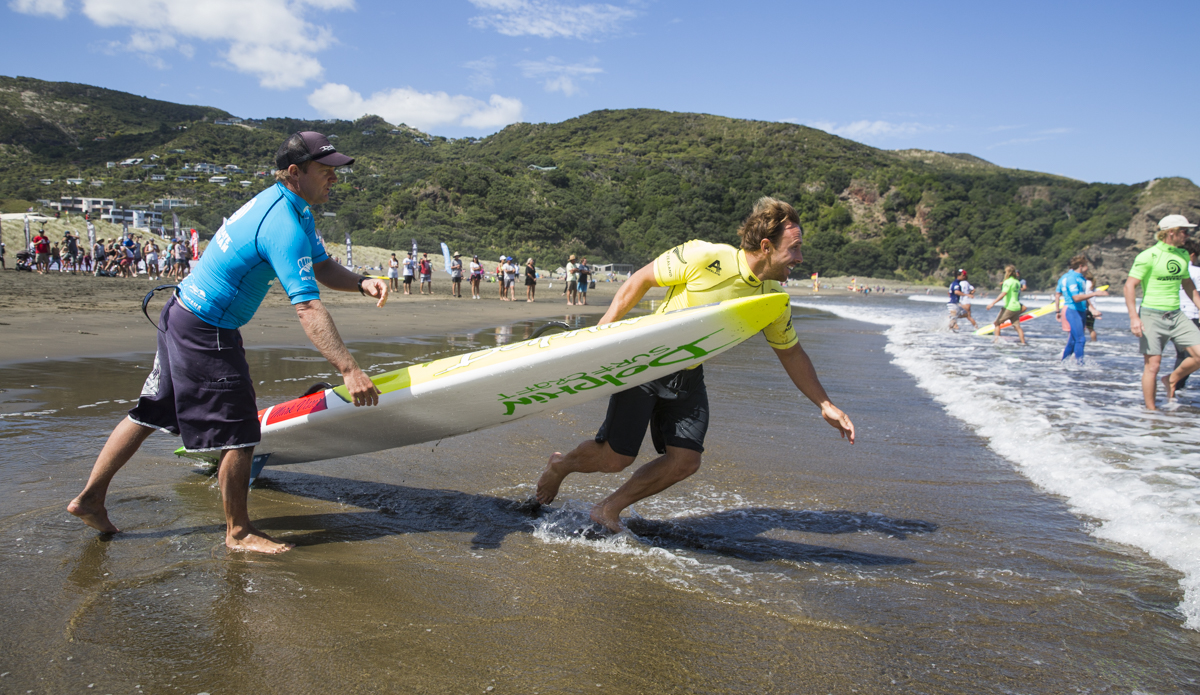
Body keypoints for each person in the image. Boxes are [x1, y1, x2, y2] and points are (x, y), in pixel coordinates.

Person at [68, 131, 389, 554]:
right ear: (295, 172)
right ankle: (238, 533)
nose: (334, 180)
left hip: (180, 312)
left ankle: (90, 499)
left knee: (153, 410)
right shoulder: (281, 223)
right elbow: (308, 309)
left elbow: (323, 266)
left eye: (335, 172)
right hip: (206, 329)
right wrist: (349, 370)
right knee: (241, 430)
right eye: (325, 172)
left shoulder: (293, 208)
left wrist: (361, 281)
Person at [535, 197, 856, 532]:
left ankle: (607, 509)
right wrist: (601, 333)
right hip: (647, 361)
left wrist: (825, 404)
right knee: (615, 458)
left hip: (688, 373)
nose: (800, 258)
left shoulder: (771, 299)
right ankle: (560, 465)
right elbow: (639, 280)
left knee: (685, 461)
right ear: (766, 246)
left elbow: (791, 352)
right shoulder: (705, 256)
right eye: (795, 248)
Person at [1124, 214, 1200, 409]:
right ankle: (1151, 413)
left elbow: (1188, 285)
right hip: (1152, 314)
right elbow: (1129, 286)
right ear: (1170, 232)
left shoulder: (1182, 255)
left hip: (1176, 314)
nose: (1187, 235)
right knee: (1153, 366)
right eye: (1184, 231)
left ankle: (1172, 379)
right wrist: (1134, 317)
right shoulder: (1148, 255)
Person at [1054, 255, 1108, 362]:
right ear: (1081, 266)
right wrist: (1096, 293)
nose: (1088, 268)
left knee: (1073, 340)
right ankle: (1079, 366)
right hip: (1073, 310)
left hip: (1081, 311)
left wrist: (1092, 309)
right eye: (1087, 265)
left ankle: (1064, 363)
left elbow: (1083, 296)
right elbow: (1076, 298)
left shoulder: (1081, 278)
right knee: (1080, 339)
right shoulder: (1071, 278)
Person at [1172, 238, 1200, 390]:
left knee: (1182, 355)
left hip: (1173, 315)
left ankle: (1175, 388)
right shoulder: (1196, 271)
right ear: (1192, 255)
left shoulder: (1173, 270)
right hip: (1192, 316)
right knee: (1190, 356)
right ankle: (1174, 384)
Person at [986, 265, 1027, 345]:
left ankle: (996, 342)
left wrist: (992, 303)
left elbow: (1003, 293)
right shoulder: (1017, 282)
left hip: (1009, 307)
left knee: (997, 323)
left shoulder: (1007, 282)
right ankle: (1023, 343)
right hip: (1017, 306)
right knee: (1017, 326)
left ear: (1007, 273)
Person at [1083, 271, 1103, 342]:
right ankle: (1094, 342)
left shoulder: (1086, 283)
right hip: (1093, 307)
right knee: (1091, 328)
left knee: (1082, 328)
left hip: (1087, 307)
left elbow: (1085, 296)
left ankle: (1081, 342)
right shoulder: (1092, 284)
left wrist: (1090, 307)